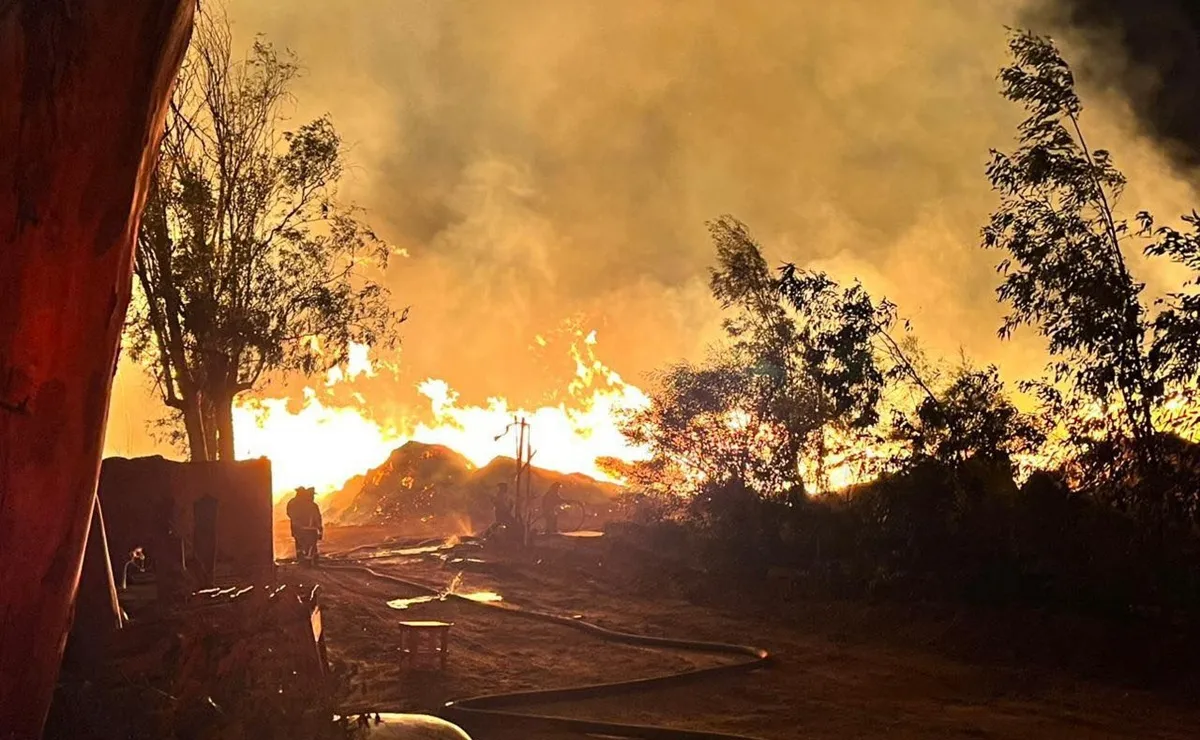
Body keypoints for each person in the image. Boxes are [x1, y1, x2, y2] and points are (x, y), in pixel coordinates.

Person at [286, 486, 323, 564]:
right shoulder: (310, 505)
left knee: (301, 543)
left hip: (300, 528)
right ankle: (309, 559)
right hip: (307, 528)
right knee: (310, 544)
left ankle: (304, 559)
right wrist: (319, 528)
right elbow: (317, 517)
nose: (313, 497)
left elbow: (290, 514)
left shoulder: (293, 502)